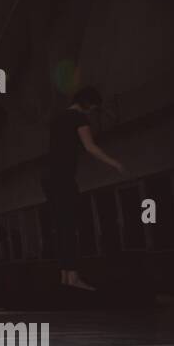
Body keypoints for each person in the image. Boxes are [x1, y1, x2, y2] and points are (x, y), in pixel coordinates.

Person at [44, 86, 124, 290]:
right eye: (92, 108)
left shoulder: (57, 119)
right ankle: (73, 277)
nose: (91, 113)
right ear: (87, 104)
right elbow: (90, 147)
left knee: (61, 226)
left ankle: (65, 276)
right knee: (70, 225)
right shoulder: (79, 118)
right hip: (63, 177)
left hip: (48, 177)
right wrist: (114, 162)